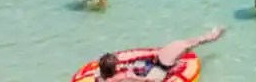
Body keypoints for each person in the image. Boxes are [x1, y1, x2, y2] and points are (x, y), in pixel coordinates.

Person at [94, 28, 224, 81]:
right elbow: (150, 80)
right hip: (158, 71)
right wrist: (136, 77)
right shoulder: (124, 77)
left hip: (151, 66)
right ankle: (211, 36)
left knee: (184, 45)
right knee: (186, 44)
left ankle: (209, 36)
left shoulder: (100, 78)